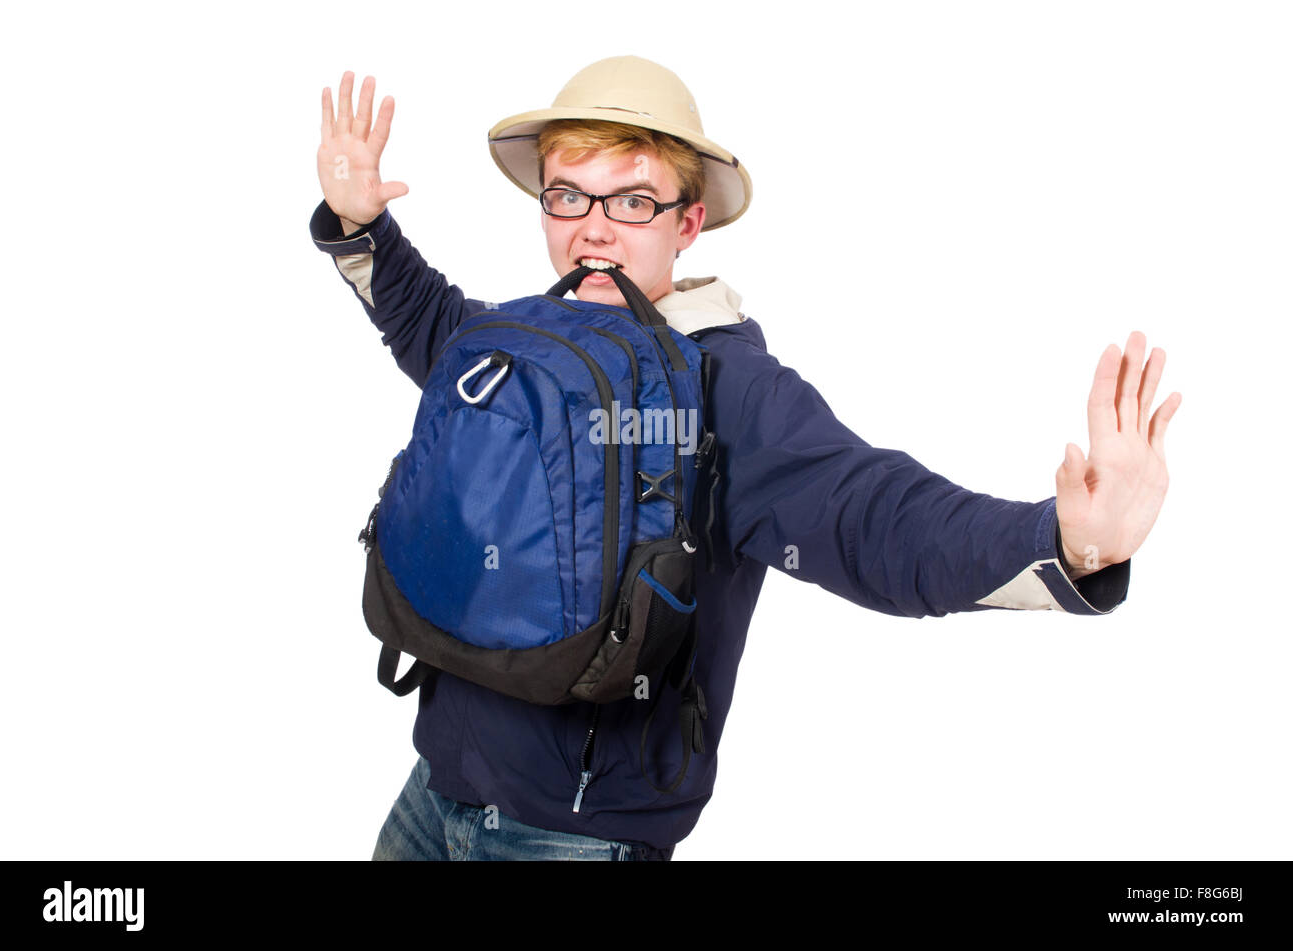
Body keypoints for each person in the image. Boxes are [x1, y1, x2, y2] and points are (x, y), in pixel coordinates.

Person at [310, 56, 1181, 861]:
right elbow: (440, 338)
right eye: (567, 196)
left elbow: (869, 514)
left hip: (571, 834)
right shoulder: (535, 333)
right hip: (436, 784)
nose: (594, 231)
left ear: (689, 221)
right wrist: (361, 225)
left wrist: (1068, 542)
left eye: (633, 200)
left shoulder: (726, 386)